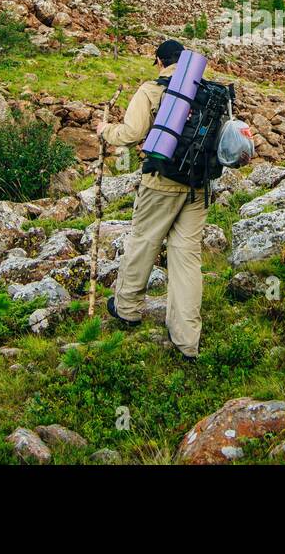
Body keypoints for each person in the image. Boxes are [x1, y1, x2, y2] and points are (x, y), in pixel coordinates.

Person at [95, 39, 205, 360]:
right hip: (198, 185)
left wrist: (105, 130)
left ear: (159, 61)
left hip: (161, 180)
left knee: (144, 241)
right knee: (186, 259)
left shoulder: (151, 90)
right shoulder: (204, 91)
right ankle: (187, 341)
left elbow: (131, 134)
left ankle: (127, 307)